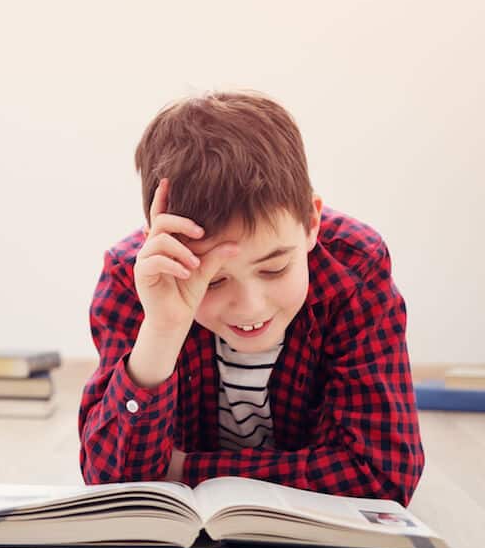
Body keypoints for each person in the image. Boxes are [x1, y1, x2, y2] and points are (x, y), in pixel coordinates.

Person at [78, 90, 424, 505]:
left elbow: (381, 475)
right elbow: (111, 482)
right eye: (213, 281)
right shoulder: (139, 279)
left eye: (275, 268)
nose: (250, 306)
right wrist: (163, 330)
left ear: (311, 223)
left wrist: (184, 470)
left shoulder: (355, 266)